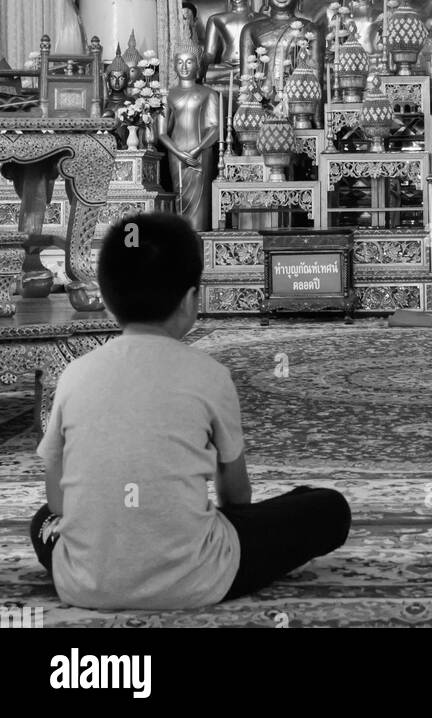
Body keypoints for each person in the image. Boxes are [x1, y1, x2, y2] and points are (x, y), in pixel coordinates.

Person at [30, 213, 351, 609]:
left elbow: (58, 502)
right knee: (327, 509)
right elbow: (236, 496)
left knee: (40, 520)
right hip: (197, 577)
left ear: (109, 303)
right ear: (188, 301)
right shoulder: (209, 375)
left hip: (83, 581)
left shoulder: (74, 374)